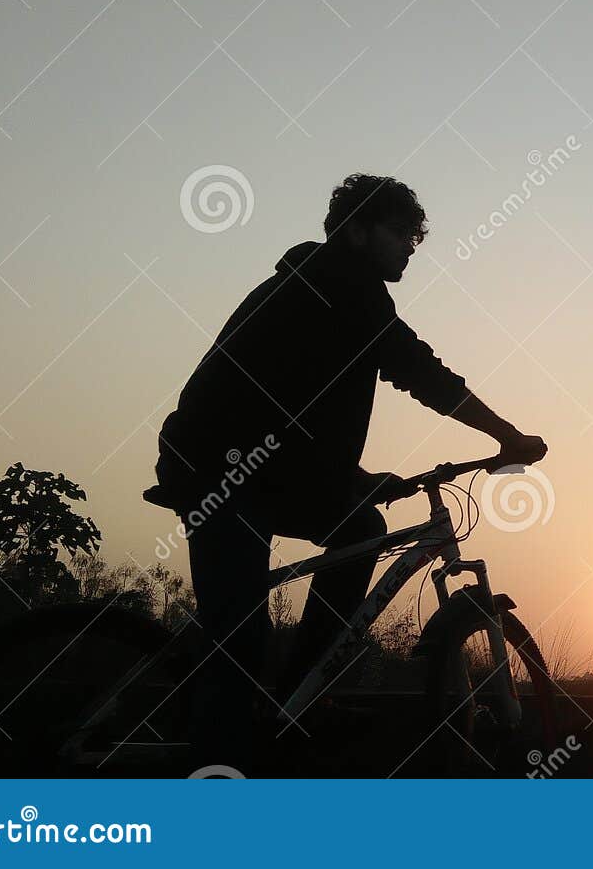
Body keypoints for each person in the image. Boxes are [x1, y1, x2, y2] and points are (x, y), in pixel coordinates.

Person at [146, 174, 546, 772]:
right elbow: (418, 370)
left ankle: (296, 698)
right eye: (400, 233)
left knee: (360, 527)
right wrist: (505, 436)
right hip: (218, 476)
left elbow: (289, 412)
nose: (410, 246)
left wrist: (355, 479)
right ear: (356, 231)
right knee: (236, 651)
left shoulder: (323, 290)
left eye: (415, 236)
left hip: (260, 468)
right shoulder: (340, 286)